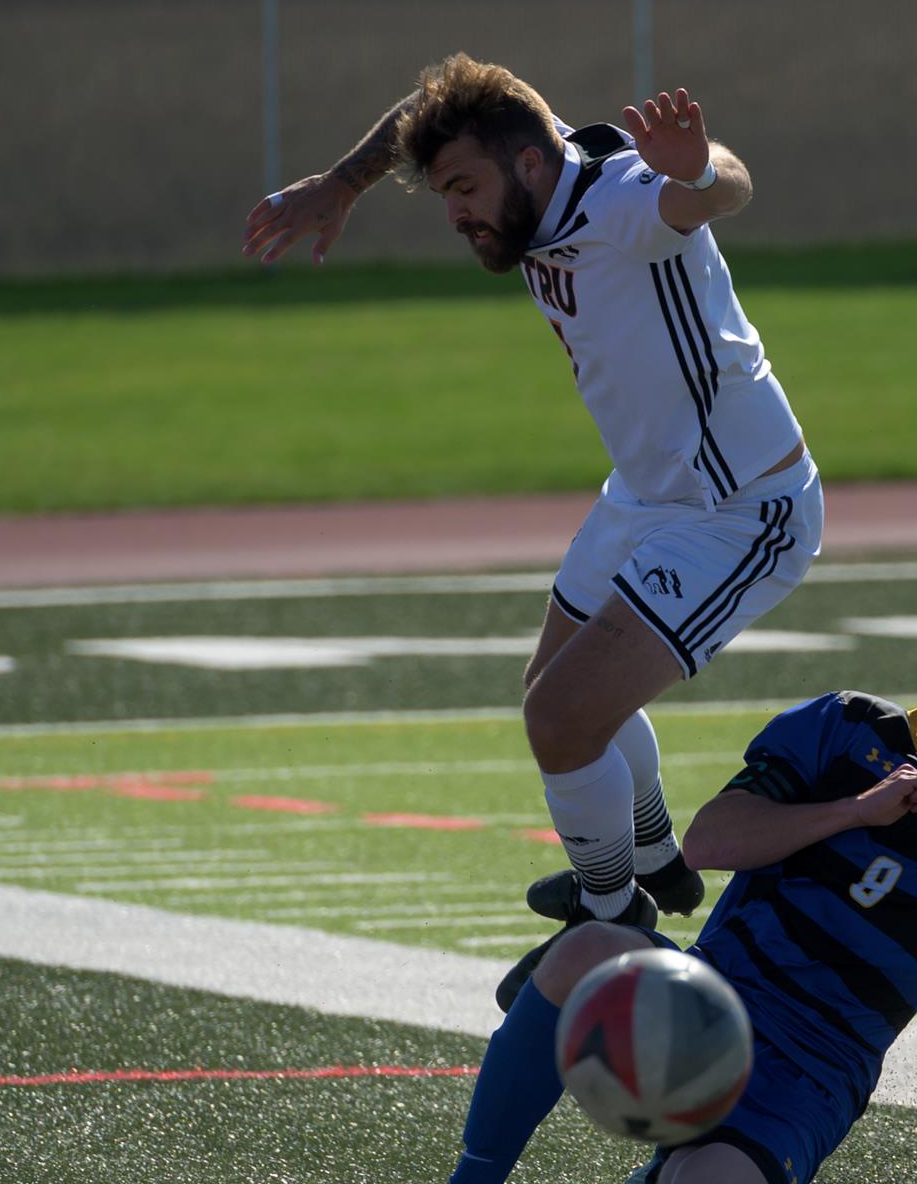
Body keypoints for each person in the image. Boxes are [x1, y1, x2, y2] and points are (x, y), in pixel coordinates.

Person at [339, 586, 917, 1184]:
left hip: (816, 1070)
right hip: (705, 1000)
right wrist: (858, 811)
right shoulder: (847, 727)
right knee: (588, 948)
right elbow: (708, 842)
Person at [243, 58, 823, 1007]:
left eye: (465, 191)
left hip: (740, 508)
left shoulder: (632, 196)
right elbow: (428, 113)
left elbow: (721, 188)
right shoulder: (540, 159)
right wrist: (341, 182)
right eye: (443, 195)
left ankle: (612, 913)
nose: (455, 214)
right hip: (646, 495)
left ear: (530, 163)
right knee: (553, 696)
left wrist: (695, 173)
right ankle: (654, 857)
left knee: (560, 721)